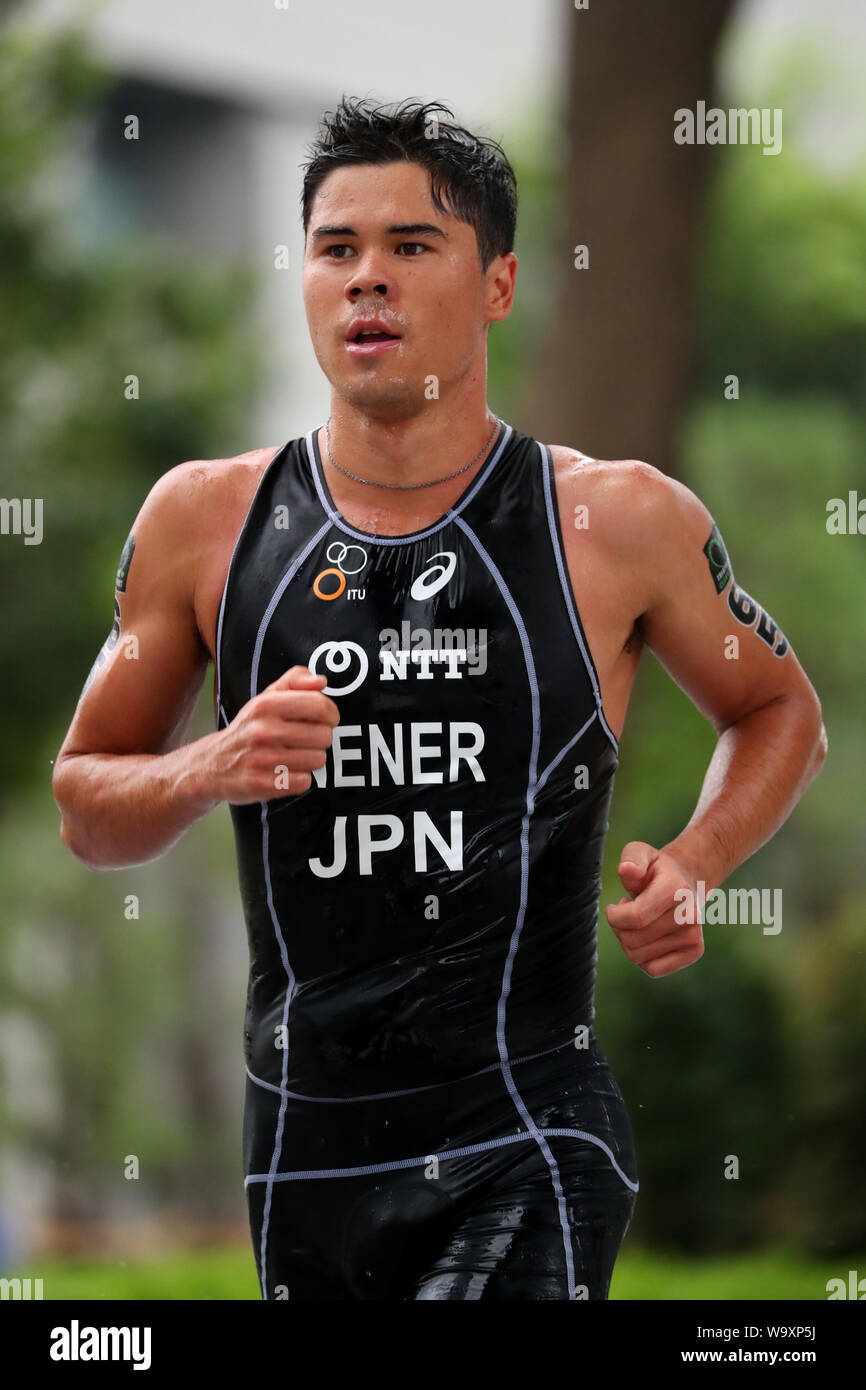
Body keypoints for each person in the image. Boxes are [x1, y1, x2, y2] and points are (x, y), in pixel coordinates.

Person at [52, 97, 827, 1300]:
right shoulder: (204, 522)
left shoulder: (611, 520)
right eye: (335, 249)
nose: (368, 280)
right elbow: (86, 802)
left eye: (412, 247)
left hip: (525, 1125)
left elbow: (779, 711)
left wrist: (695, 861)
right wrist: (208, 765)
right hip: (303, 1146)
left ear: (500, 283)